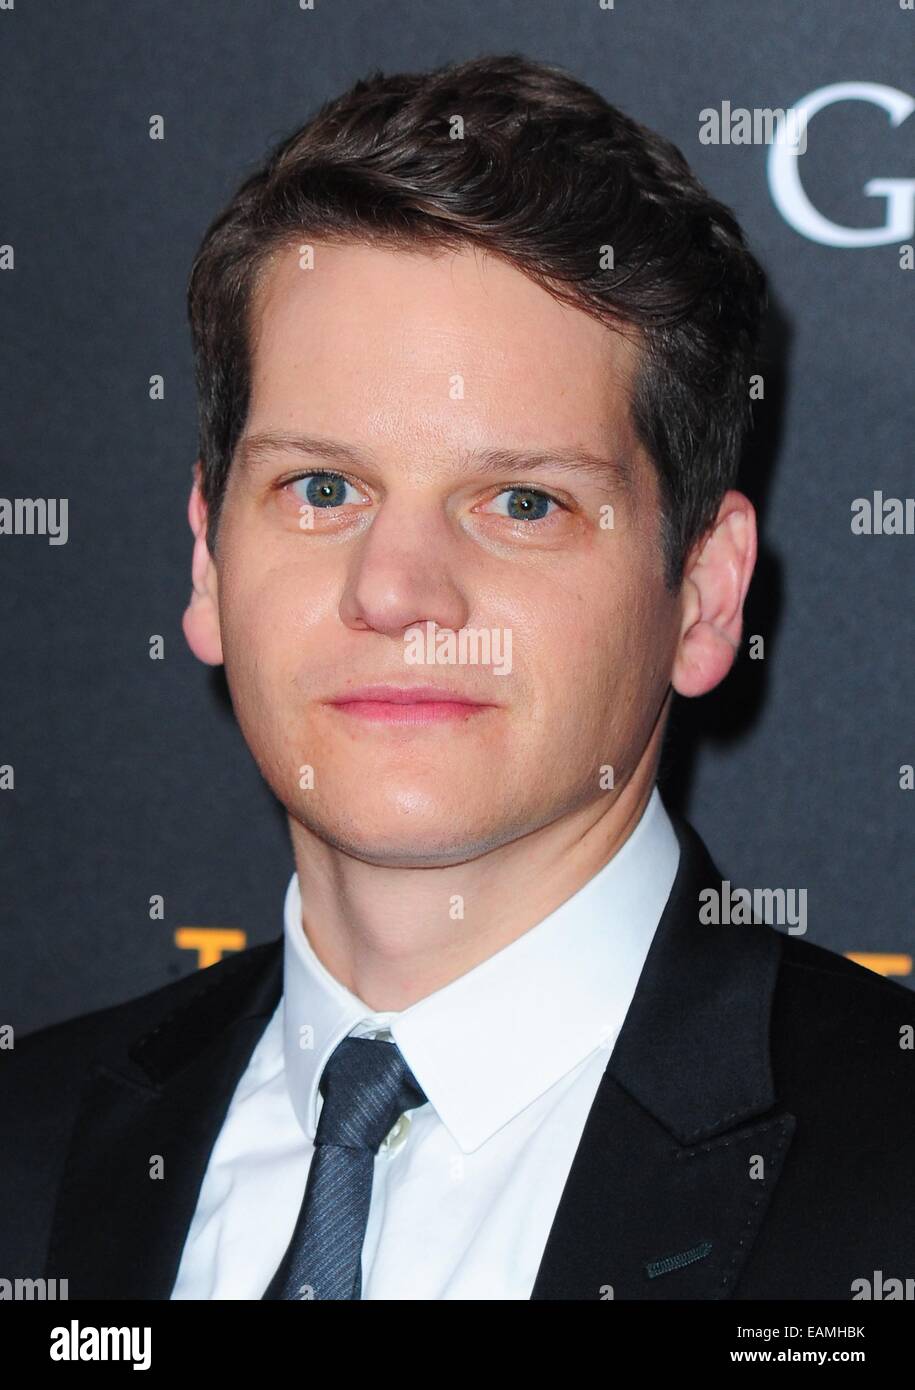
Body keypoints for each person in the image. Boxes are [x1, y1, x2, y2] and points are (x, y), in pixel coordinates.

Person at [3, 53, 913, 1302]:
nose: (398, 593)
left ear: (703, 594)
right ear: (210, 560)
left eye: (522, 501)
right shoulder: (28, 1152)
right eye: (324, 489)